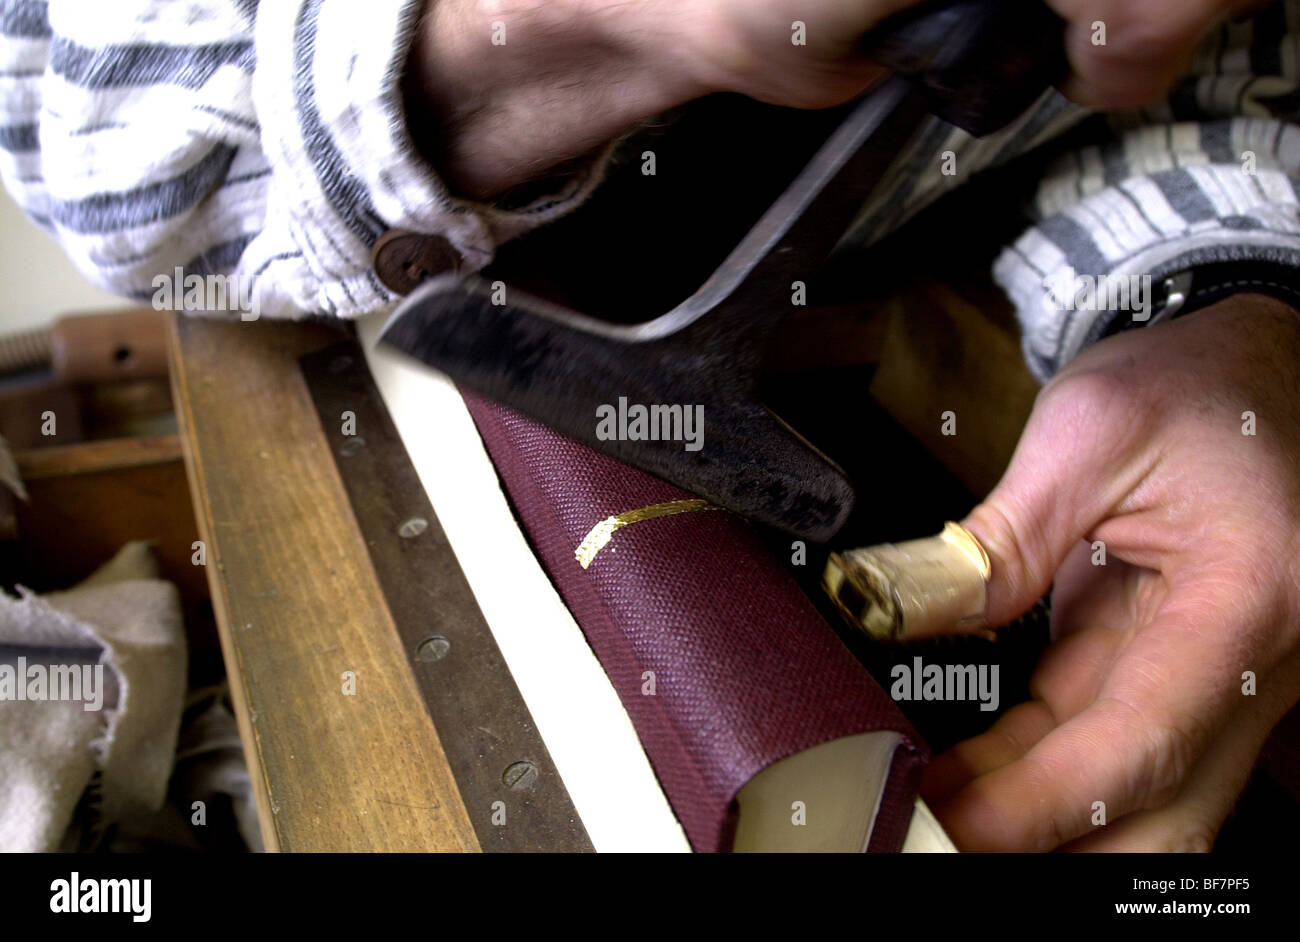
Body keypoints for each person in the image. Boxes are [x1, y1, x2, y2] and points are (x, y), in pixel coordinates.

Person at [3, 0, 1298, 852]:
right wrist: (554, 27)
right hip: (347, 364)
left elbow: (1198, 70)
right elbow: (71, 127)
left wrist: (1223, 292)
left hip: (928, 327)